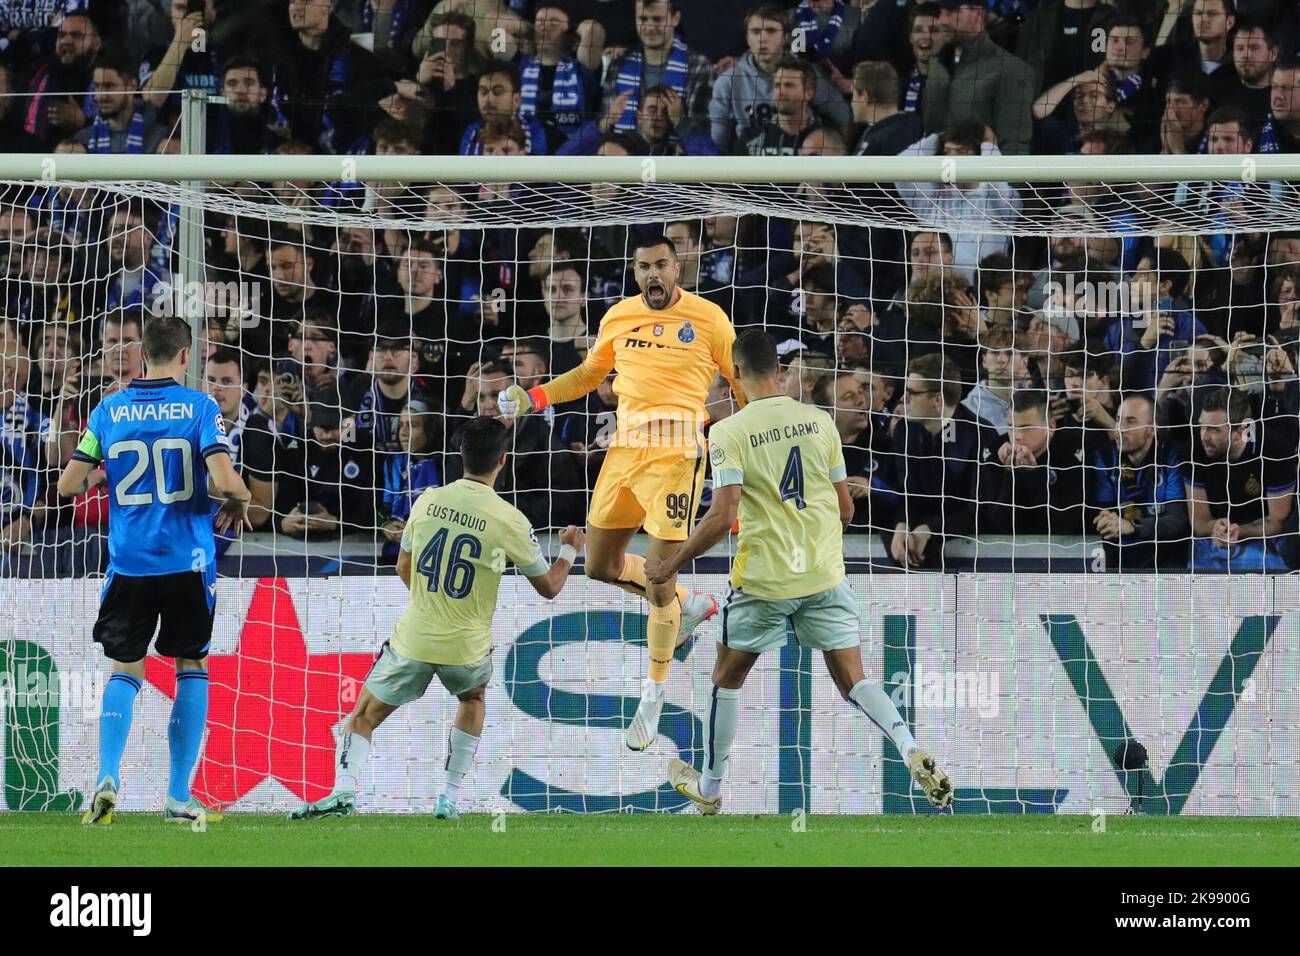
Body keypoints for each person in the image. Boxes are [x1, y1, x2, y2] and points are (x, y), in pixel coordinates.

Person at [642, 329, 951, 813]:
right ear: (781, 373)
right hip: (824, 573)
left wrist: (670, 565)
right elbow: (846, 508)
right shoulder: (819, 422)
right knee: (854, 679)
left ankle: (710, 787)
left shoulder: (728, 431)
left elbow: (723, 514)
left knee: (727, 679)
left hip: (764, 579)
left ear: (736, 375)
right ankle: (909, 746)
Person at [497, 234, 742, 752]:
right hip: (624, 450)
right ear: (634, 273)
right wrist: (535, 396)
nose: (652, 274)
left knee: (657, 579)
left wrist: (746, 441)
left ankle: (652, 697)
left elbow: (737, 381)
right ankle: (690, 603)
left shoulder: (710, 319)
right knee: (600, 567)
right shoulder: (618, 317)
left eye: (660, 265)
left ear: (678, 269)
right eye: (642, 267)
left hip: (677, 454)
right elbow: (590, 374)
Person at [291, 417, 586, 820]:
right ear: (502, 460)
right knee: (472, 698)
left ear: (460, 456)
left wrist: (434, 604)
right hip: (466, 647)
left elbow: (401, 567)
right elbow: (550, 587)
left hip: (414, 638)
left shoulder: (428, 500)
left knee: (363, 716)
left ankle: (343, 791)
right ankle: (447, 797)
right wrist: (569, 551)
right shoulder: (510, 519)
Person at [58, 314, 252, 826]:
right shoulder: (200, 407)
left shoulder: (109, 410)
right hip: (187, 562)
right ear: (186, 357)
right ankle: (176, 795)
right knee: (192, 665)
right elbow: (224, 479)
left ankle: (107, 775)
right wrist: (241, 497)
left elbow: (67, 485)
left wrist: (106, 474)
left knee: (127, 669)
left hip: (130, 563)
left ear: (142, 353)